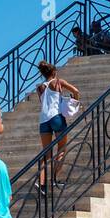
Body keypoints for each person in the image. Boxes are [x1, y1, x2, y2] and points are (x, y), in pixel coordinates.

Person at [35, 60, 81, 189]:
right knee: (61, 150)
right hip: (56, 118)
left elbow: (44, 102)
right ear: (54, 72)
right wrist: (75, 102)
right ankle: (54, 179)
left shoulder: (39, 87)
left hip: (43, 121)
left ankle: (41, 182)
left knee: (46, 154)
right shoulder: (58, 82)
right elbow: (76, 91)